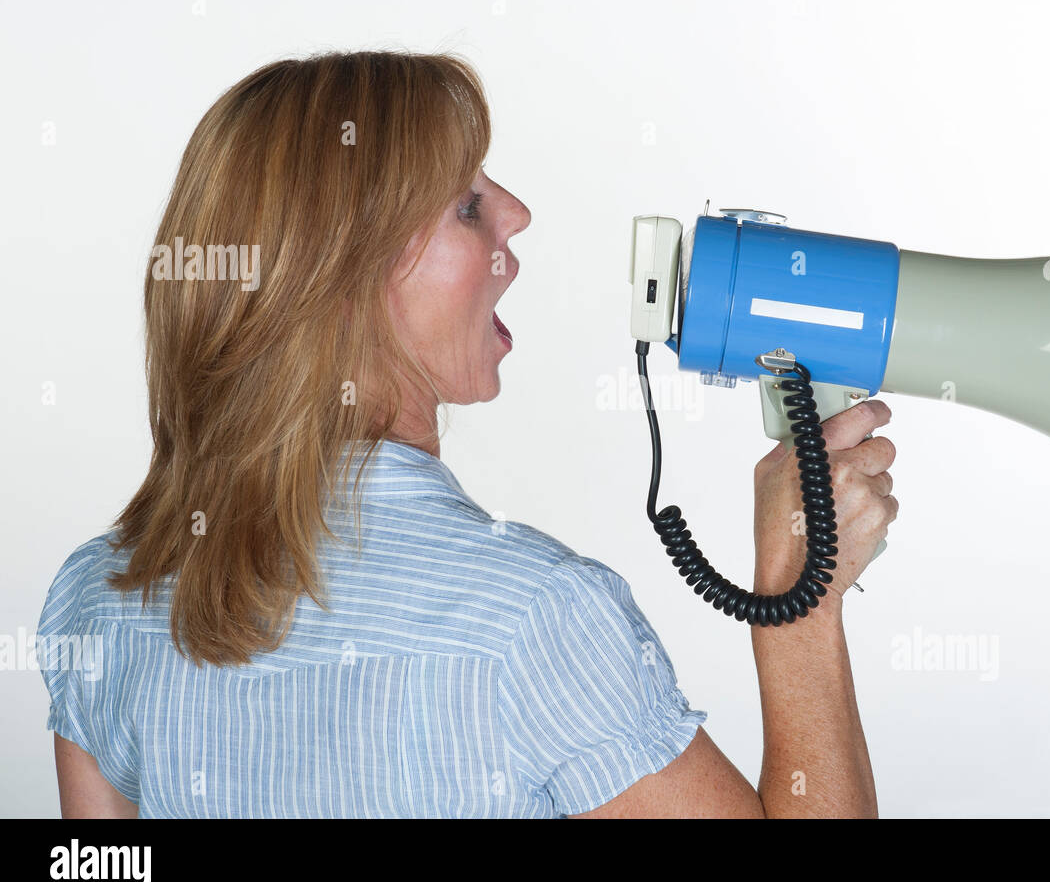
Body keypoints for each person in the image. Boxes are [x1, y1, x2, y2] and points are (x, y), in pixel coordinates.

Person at [36, 51, 898, 819]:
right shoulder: (533, 621)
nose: (517, 213)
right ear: (344, 281)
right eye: (465, 203)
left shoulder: (97, 600)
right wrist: (801, 597)